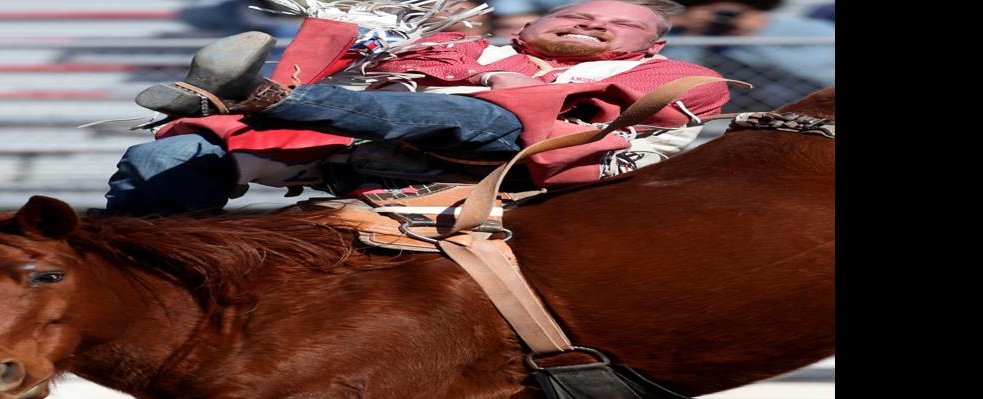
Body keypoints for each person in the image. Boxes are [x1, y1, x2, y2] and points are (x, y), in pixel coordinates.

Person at [106, 0, 731, 216]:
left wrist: (503, 89)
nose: (594, 24)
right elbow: (372, 76)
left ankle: (256, 96)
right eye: (576, 15)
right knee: (169, 154)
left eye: (619, 24)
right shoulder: (455, 47)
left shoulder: (680, 75)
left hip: (515, 158)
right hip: (360, 148)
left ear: (653, 44)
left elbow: (618, 119)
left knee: (478, 114)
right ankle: (143, 259)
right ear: (529, 25)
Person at [661, 0, 834, 111]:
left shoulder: (810, 29)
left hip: (791, 113)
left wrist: (756, 38)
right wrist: (692, 34)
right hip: (709, 117)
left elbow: (823, 73)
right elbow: (670, 82)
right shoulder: (675, 32)